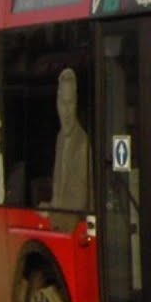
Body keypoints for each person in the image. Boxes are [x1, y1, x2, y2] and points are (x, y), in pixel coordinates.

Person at [49, 68, 90, 229]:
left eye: (70, 103)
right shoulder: (60, 138)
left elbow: (80, 200)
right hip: (59, 225)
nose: (66, 111)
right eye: (62, 103)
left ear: (76, 103)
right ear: (57, 103)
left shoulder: (82, 142)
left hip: (73, 228)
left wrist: (52, 209)